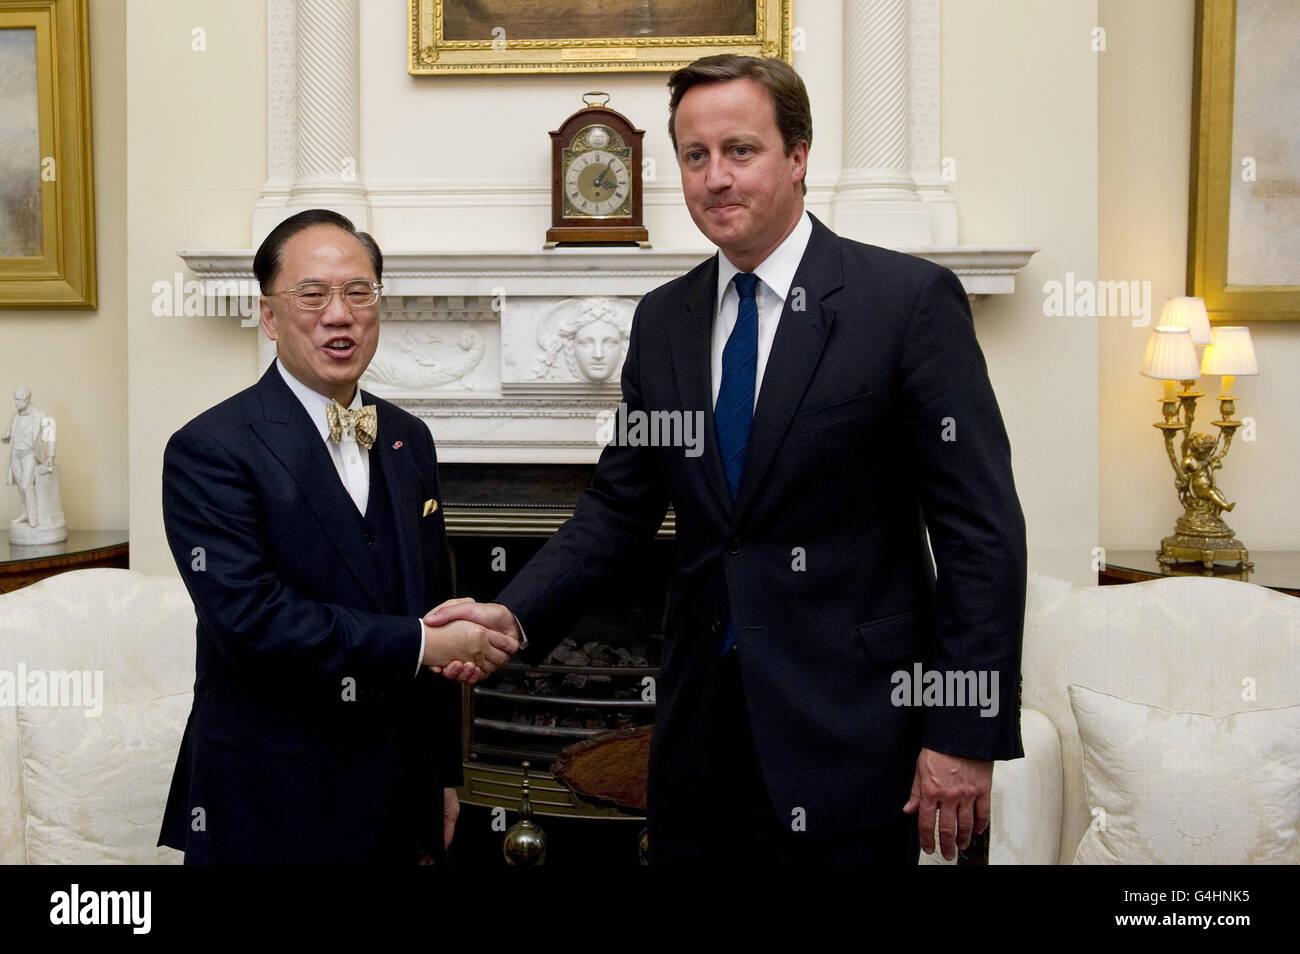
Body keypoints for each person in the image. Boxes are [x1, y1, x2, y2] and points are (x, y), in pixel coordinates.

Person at [429, 55, 1027, 864]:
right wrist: (515, 611)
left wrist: (962, 731)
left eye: (740, 150)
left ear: (799, 156)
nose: (715, 178)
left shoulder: (906, 304)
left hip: (859, 732)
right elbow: (618, 510)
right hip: (700, 739)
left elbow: (980, 535)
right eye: (695, 156)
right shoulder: (665, 321)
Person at [157, 209, 519, 863]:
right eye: (313, 294)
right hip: (269, 801)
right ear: (269, 315)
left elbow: (431, 598)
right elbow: (252, 622)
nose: (339, 314)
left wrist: (442, 775)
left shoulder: (410, 437)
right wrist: (425, 643)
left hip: (397, 797)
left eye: (358, 292)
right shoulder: (209, 449)